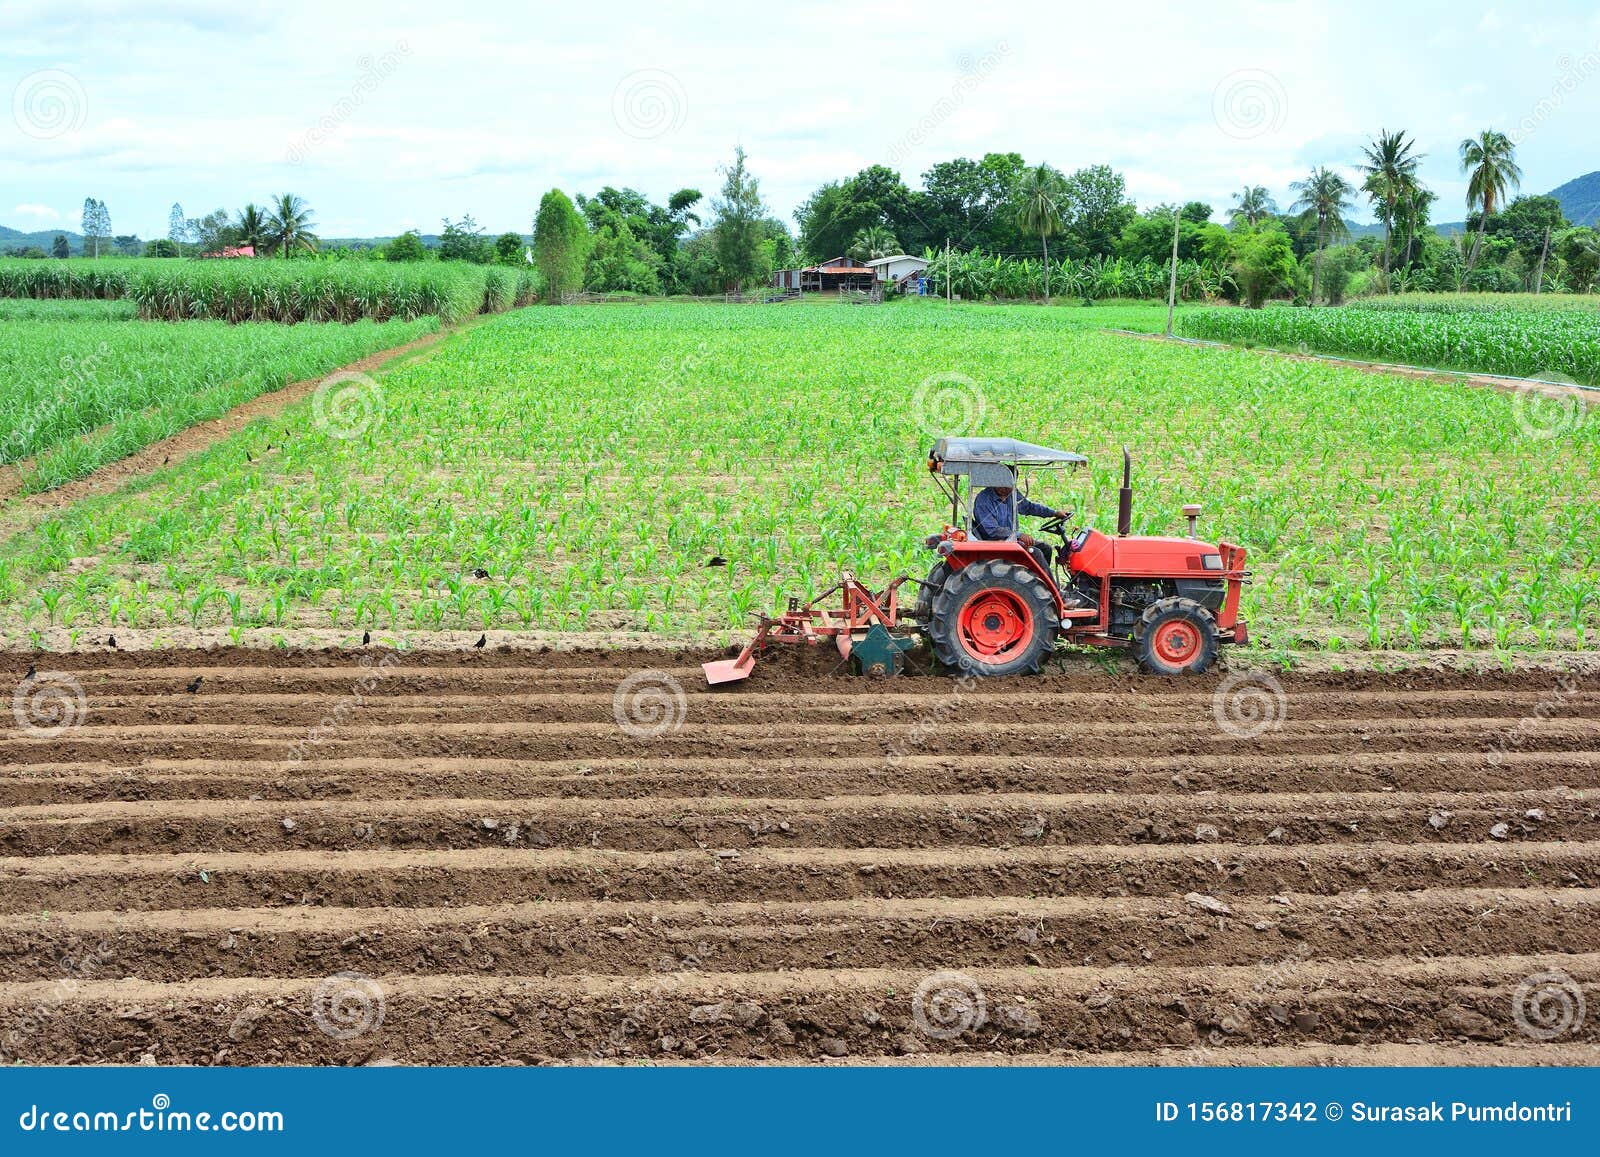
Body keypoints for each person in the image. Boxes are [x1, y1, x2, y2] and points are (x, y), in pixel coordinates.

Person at [971, 474, 1068, 571]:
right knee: (1036, 552)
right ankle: (1044, 584)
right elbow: (992, 530)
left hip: (1011, 539)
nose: (1004, 488)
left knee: (1045, 548)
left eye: (1008, 485)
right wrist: (1018, 535)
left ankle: (1040, 580)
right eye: (1001, 484)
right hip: (995, 542)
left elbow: (1029, 507)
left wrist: (1054, 513)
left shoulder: (1012, 494)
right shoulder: (983, 500)